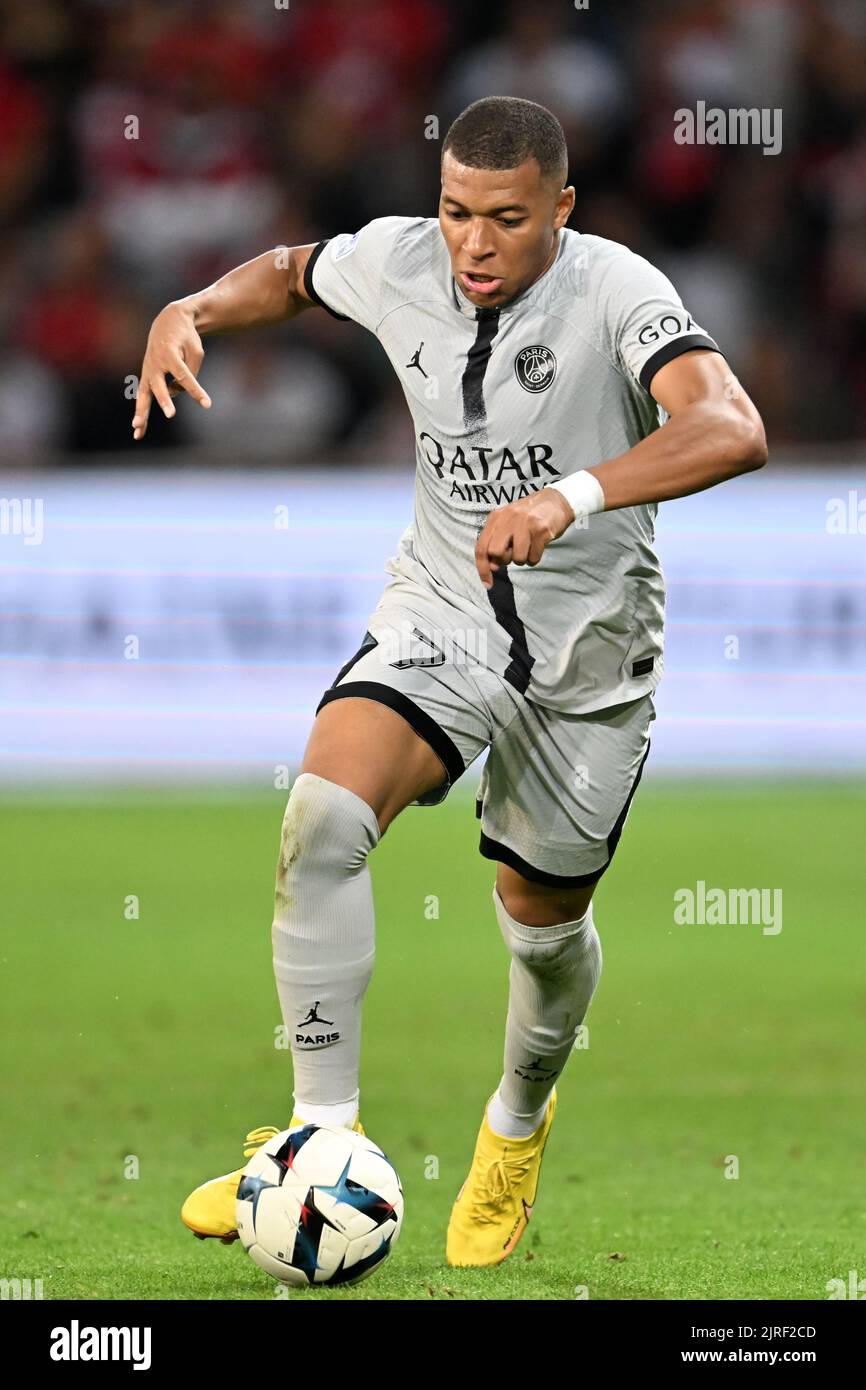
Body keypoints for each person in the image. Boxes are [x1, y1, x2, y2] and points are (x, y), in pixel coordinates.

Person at [132, 96, 767, 1268]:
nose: (473, 244)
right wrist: (191, 309)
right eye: (456, 211)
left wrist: (568, 495)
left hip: (587, 658)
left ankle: (516, 1124)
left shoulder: (617, 290)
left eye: (507, 219)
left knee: (539, 923)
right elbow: (291, 272)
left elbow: (730, 428)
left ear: (561, 212)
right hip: (442, 612)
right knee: (320, 820)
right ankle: (320, 1141)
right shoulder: (402, 259)